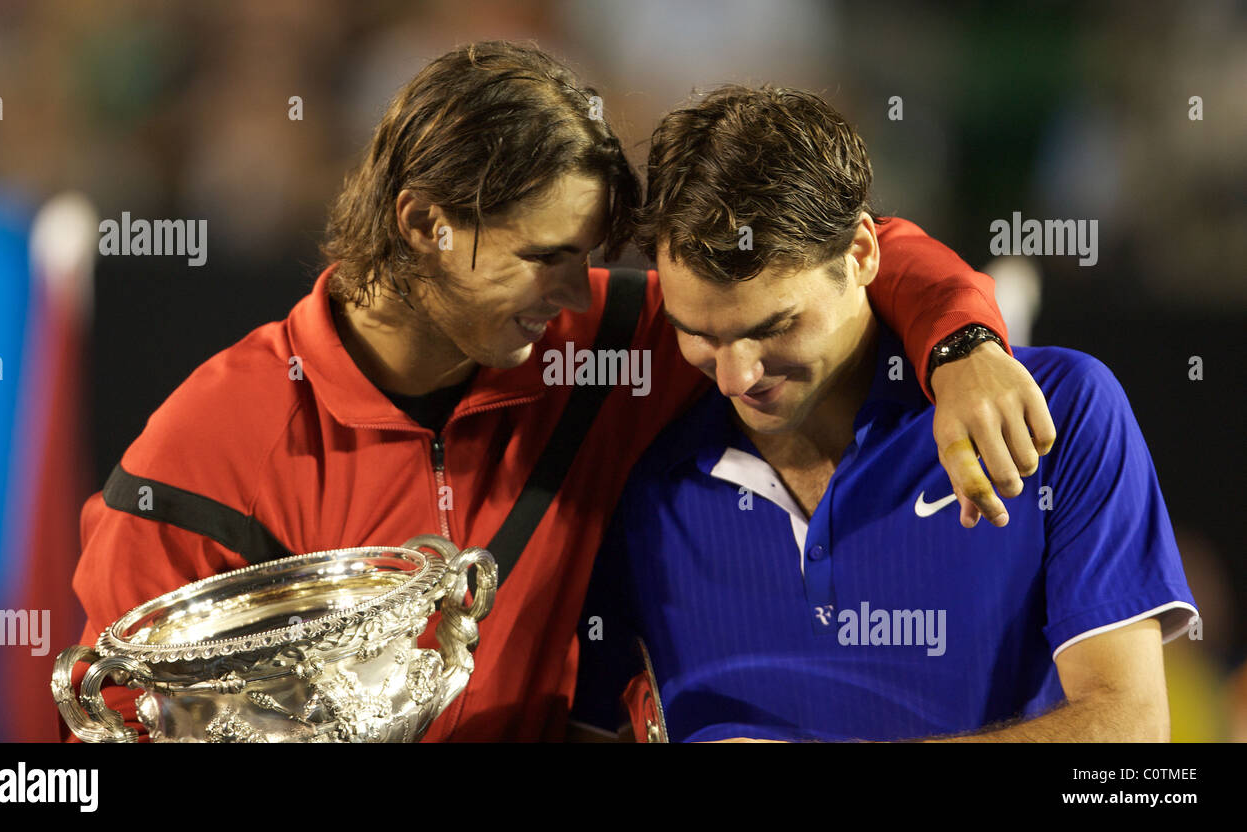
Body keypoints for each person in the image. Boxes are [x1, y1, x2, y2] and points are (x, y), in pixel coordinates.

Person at [67, 42, 1055, 742]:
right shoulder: (200, 450)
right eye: (544, 256)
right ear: (423, 223)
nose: (571, 290)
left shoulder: (604, 341)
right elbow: (108, 734)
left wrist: (964, 346)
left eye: (584, 258)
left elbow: (860, 255)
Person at [572, 85, 1197, 742]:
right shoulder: (627, 449)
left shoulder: (1064, 408)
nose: (736, 376)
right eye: (697, 332)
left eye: (775, 326)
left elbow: (1128, 730)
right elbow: (587, 724)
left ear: (863, 253)